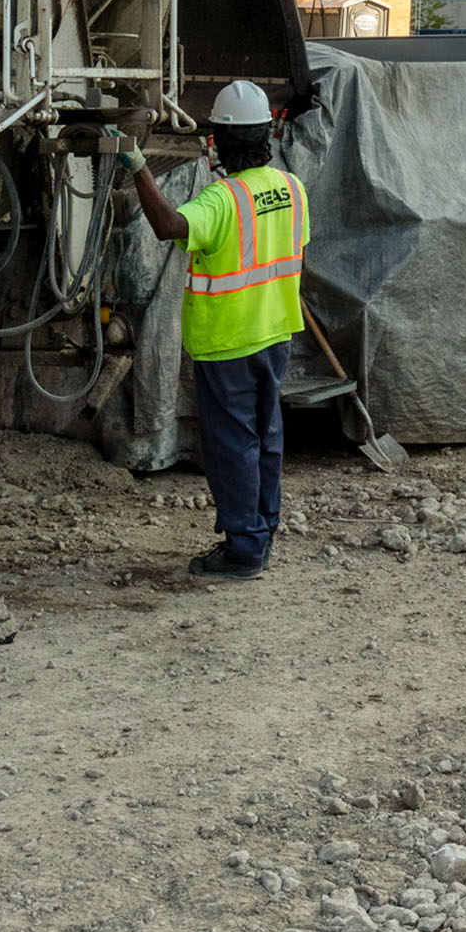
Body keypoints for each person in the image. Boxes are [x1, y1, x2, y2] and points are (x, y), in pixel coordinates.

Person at [123, 79, 311, 579]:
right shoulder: (292, 188)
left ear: (219, 143)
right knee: (266, 436)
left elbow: (167, 226)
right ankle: (261, 527)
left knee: (232, 445)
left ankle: (244, 549)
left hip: (226, 342)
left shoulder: (220, 200)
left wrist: (136, 166)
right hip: (274, 335)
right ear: (267, 135)